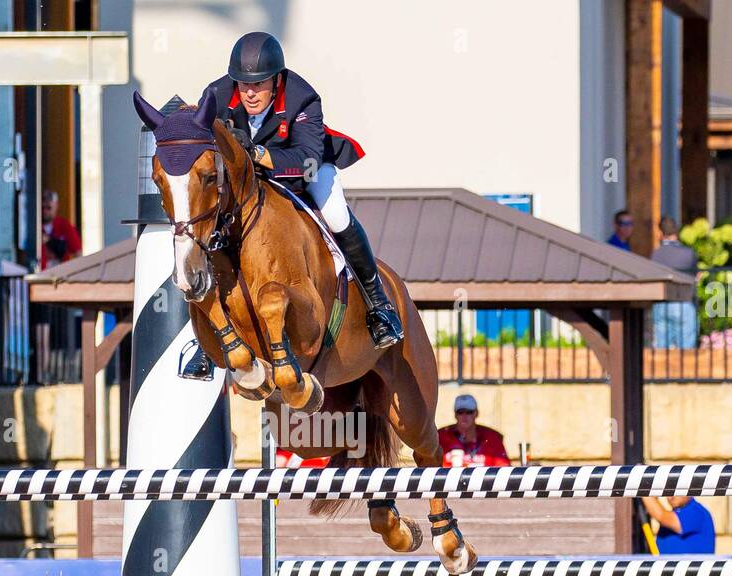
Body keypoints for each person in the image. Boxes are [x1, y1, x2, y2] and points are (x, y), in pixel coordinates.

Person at [204, 32, 403, 351]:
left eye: (259, 84)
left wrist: (254, 154)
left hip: (305, 168)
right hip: (245, 180)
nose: (250, 93)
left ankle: (378, 305)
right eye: (244, 85)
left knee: (336, 214)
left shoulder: (303, 97)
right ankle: (203, 337)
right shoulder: (214, 96)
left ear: (277, 80)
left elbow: (306, 160)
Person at [649, 216, 699, 348]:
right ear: (677, 231)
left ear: (660, 232)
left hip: (662, 303)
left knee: (662, 351)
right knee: (686, 353)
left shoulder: (656, 255)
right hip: (684, 302)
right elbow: (697, 276)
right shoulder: (688, 253)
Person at [437, 394, 510, 467]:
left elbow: (504, 467)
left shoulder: (492, 437)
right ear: (455, 415)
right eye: (460, 412)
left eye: (469, 412)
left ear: (476, 413)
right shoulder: (441, 437)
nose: (464, 416)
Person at [640, 496, 716, 554]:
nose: (671, 495)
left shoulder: (696, 511)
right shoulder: (676, 513)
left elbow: (661, 516)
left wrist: (643, 490)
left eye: (676, 489)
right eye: (668, 490)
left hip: (690, 573)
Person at [40, 189, 82, 270]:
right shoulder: (33, 227)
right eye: (42, 208)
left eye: (48, 208)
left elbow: (77, 253)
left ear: (56, 206)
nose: (45, 211)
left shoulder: (64, 225)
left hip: (61, 272)